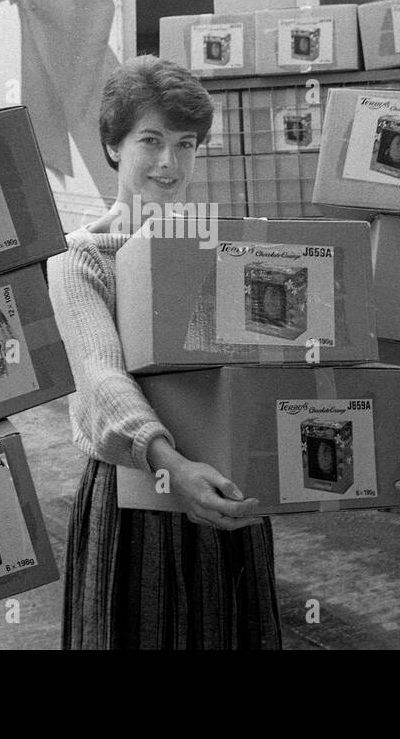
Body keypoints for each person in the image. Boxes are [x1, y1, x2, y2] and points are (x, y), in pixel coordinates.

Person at [48, 55, 281, 649]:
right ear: (112, 146)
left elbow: (277, 364)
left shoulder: (221, 248)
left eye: (186, 144)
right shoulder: (81, 260)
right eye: (150, 140)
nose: (169, 162)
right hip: (137, 497)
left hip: (225, 491)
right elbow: (101, 378)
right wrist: (170, 466)